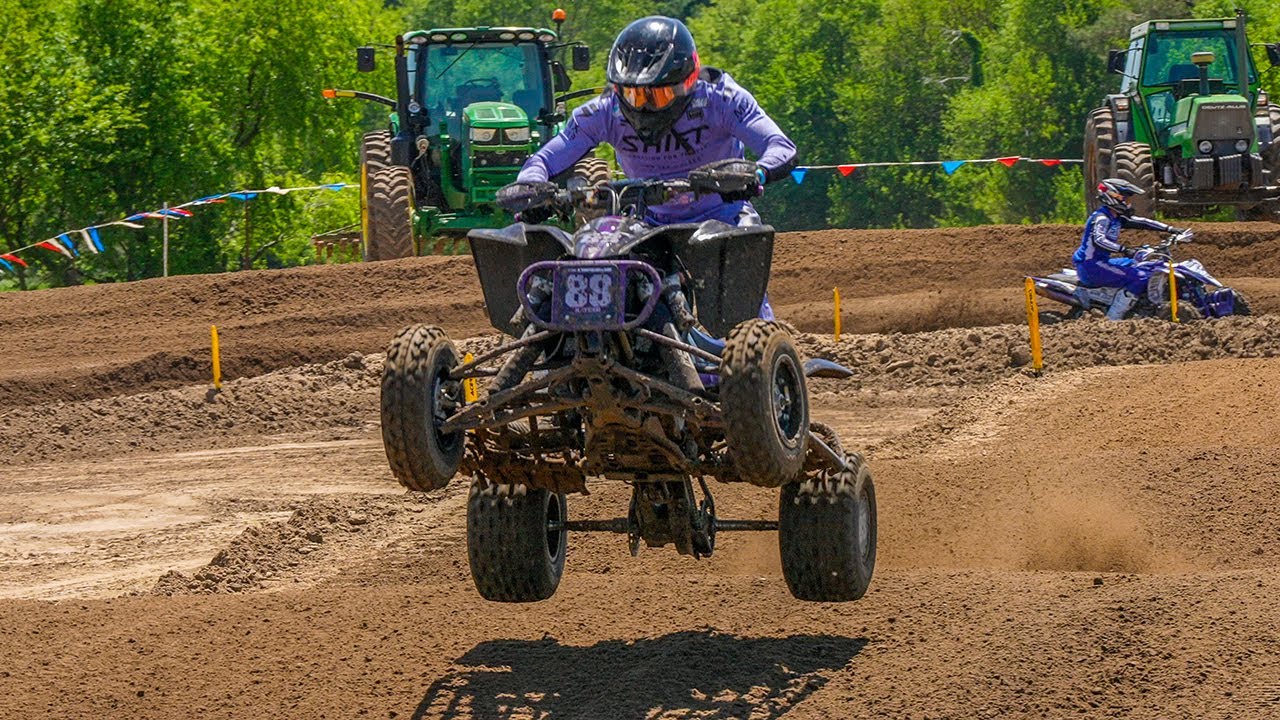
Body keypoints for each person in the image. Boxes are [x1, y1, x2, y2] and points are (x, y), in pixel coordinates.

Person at [503, 15, 797, 227]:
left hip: (726, 218)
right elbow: (544, 160)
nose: (642, 107)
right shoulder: (603, 111)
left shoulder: (721, 98)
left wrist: (757, 173)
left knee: (746, 262)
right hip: (647, 223)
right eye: (631, 94)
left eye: (656, 96)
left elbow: (780, 146)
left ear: (687, 82)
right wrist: (532, 188)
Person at [1074, 178, 1185, 320]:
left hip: (1100, 262)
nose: (1128, 203)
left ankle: (1138, 305)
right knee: (1140, 276)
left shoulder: (1115, 217)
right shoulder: (1102, 218)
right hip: (1091, 265)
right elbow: (1099, 240)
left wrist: (1170, 229)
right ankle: (1114, 318)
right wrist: (1124, 249)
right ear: (1113, 197)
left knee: (1141, 264)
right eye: (1125, 199)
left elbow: (1142, 222)